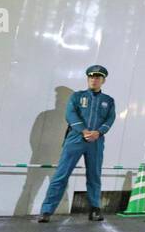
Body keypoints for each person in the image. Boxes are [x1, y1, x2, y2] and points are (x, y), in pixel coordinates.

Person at [38, 64, 116, 222]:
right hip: (75, 139)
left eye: (98, 77)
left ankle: (94, 210)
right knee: (61, 175)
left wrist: (99, 132)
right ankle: (46, 211)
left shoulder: (108, 101)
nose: (94, 80)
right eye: (91, 77)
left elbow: (110, 118)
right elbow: (70, 114)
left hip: (96, 141)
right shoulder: (77, 97)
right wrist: (83, 130)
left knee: (94, 176)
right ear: (88, 79)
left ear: (103, 81)